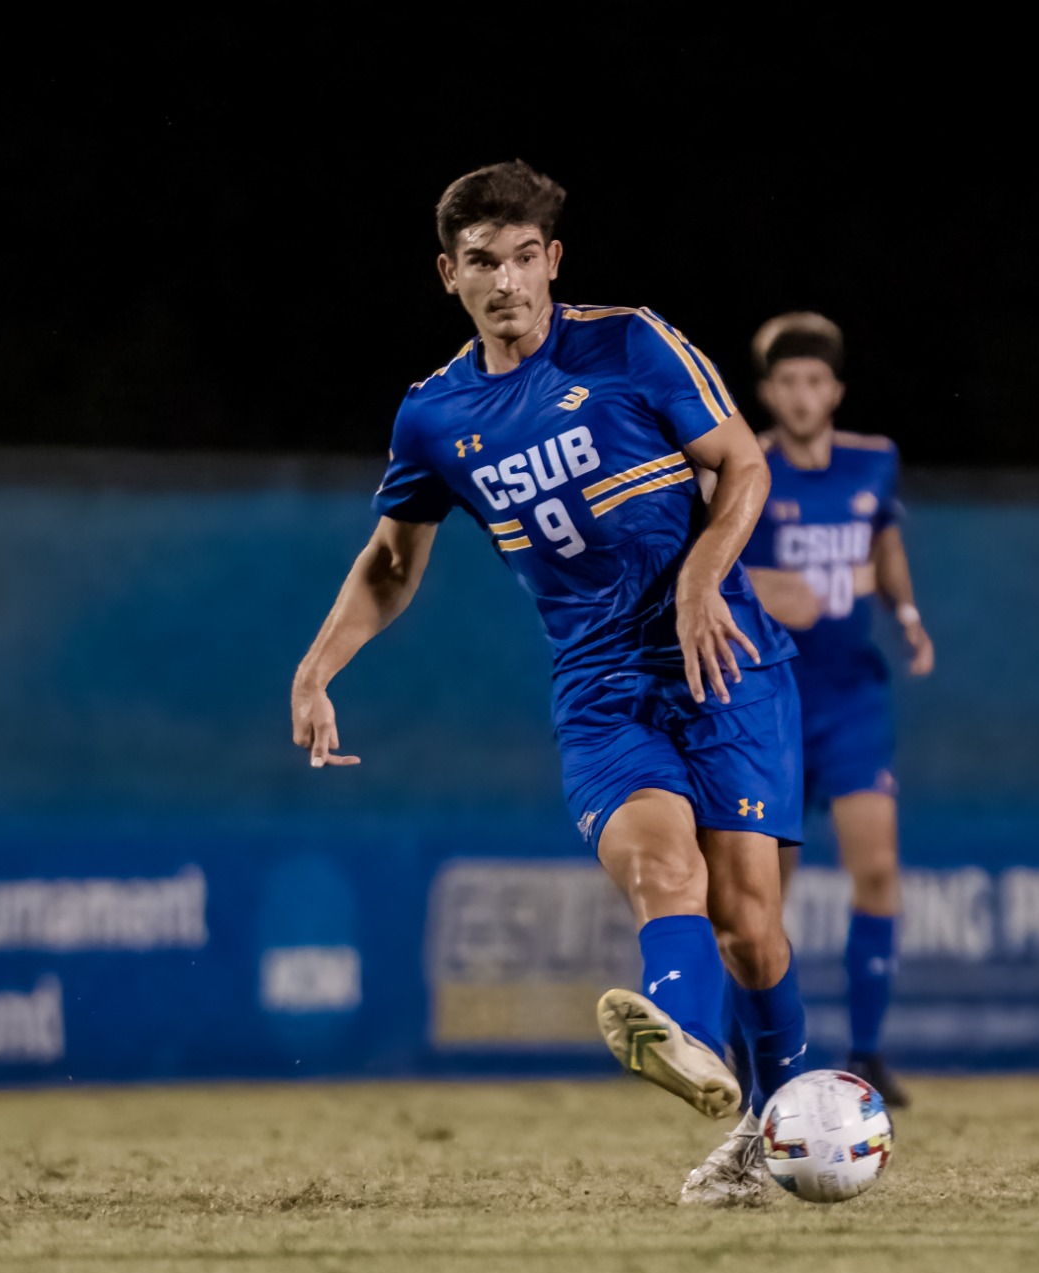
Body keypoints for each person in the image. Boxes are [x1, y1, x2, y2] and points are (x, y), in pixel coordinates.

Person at [287, 161, 807, 1206]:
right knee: (665, 872)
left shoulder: (631, 343)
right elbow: (391, 560)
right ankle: (690, 1046)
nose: (507, 281)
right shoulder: (434, 415)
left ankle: (775, 1127)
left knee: (751, 926)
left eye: (524, 257)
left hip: (725, 661)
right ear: (449, 275)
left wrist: (700, 579)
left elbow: (744, 466)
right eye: (482, 262)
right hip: (602, 692)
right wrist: (316, 669)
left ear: (553, 260)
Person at [737, 313, 935, 1108]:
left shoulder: (873, 461)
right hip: (770, 701)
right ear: (767, 393)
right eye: (787, 382)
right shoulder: (745, 468)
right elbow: (712, 565)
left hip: (852, 698)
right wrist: (765, 590)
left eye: (814, 381)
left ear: (836, 391)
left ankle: (868, 1054)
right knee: (762, 897)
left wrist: (907, 613)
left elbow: (884, 543)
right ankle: (752, 1057)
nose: (801, 395)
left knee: (877, 869)